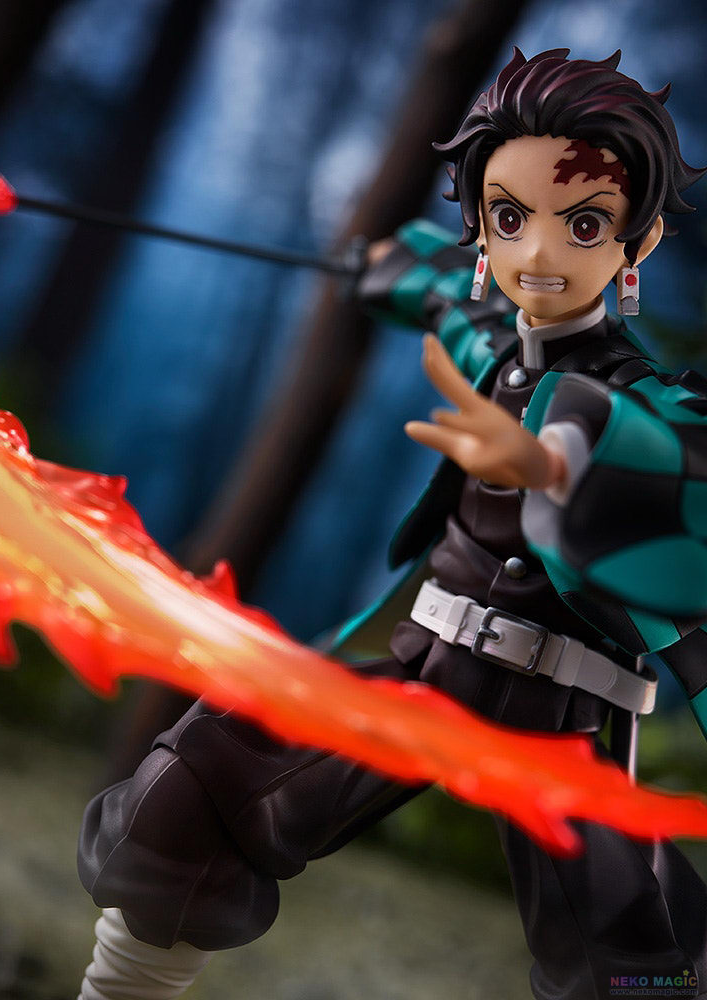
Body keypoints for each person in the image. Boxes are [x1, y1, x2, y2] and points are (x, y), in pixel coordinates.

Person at [76, 49, 707, 1000]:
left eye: (584, 224)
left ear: (639, 241)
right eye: (509, 218)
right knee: (197, 788)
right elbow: (447, 293)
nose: (539, 255)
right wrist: (383, 267)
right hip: (429, 670)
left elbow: (675, 464)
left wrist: (556, 464)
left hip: (566, 722)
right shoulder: (495, 345)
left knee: (636, 964)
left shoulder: (647, 401)